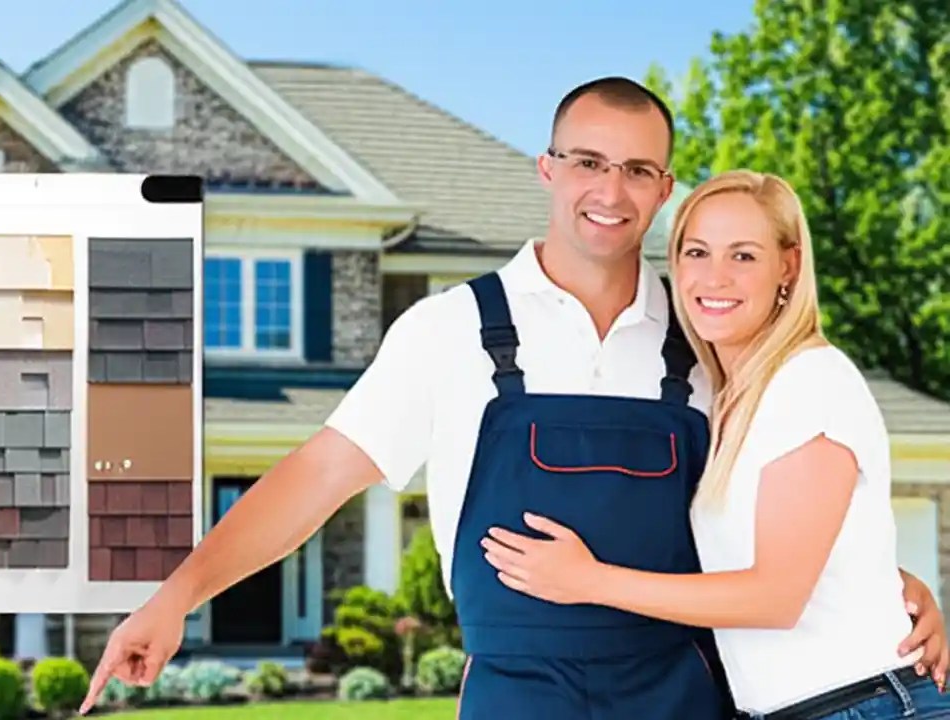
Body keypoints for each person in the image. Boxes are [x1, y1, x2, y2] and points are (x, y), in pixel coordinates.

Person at [78, 77, 948, 718]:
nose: (610, 191)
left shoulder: (709, 339)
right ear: (547, 169)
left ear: (663, 190)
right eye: (588, 162)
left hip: (682, 692)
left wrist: (886, 587)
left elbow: (781, 515)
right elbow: (315, 478)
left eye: (638, 170)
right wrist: (176, 595)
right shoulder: (447, 330)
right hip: (518, 693)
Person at [479, 168, 950, 719]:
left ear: (788, 266)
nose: (715, 277)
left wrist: (589, 581)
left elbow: (775, 597)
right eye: (697, 252)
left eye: (743, 256)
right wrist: (900, 584)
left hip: (865, 706)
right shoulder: (722, 400)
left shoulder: (810, 380)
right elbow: (808, 553)